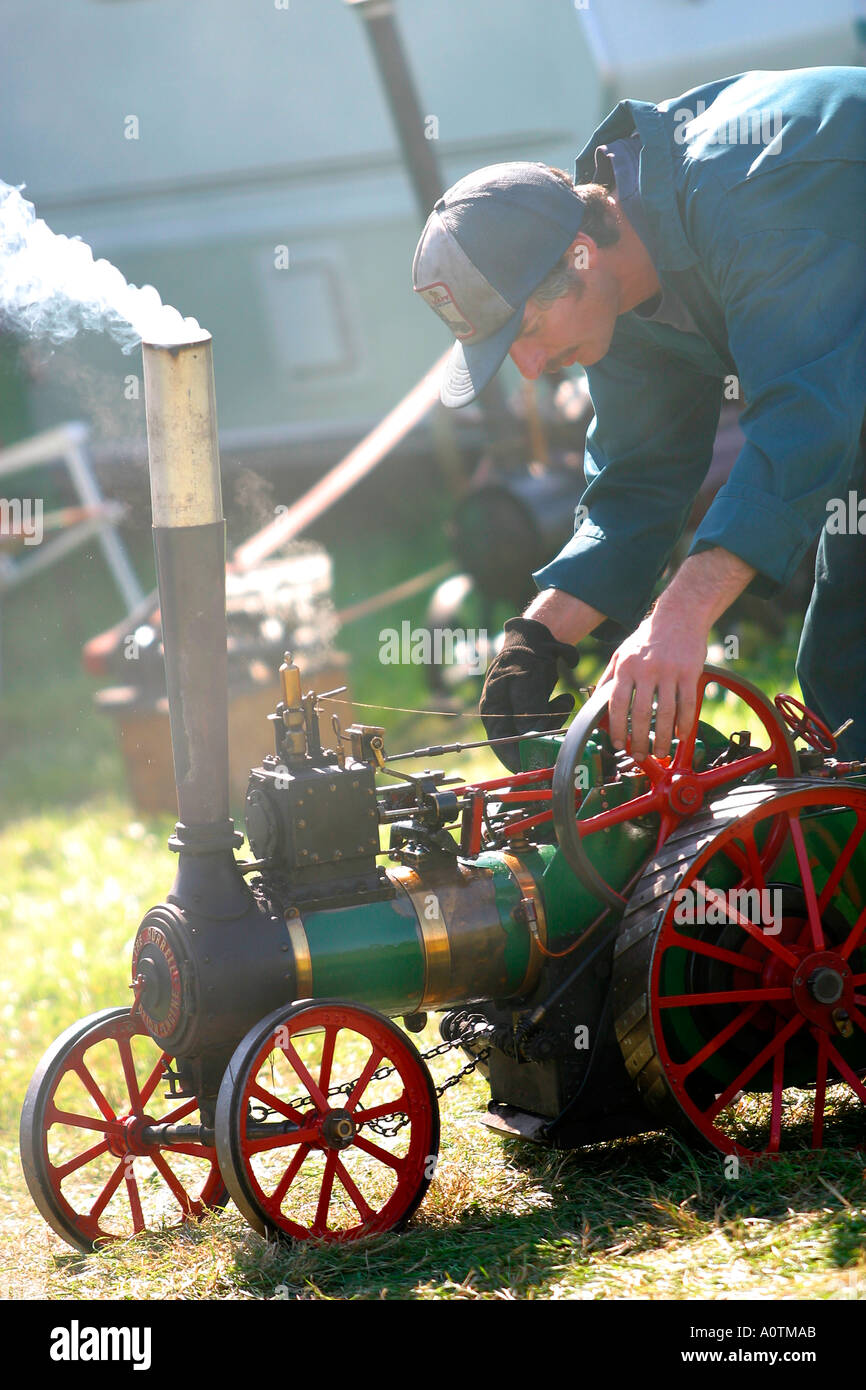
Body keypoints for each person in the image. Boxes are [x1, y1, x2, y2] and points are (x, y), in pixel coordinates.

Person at [411, 67, 866, 771]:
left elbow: (807, 421)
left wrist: (681, 614)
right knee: (849, 678)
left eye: (526, 331)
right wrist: (542, 632)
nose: (531, 369)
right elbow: (640, 478)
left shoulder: (748, 195)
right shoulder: (618, 291)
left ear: (580, 257)